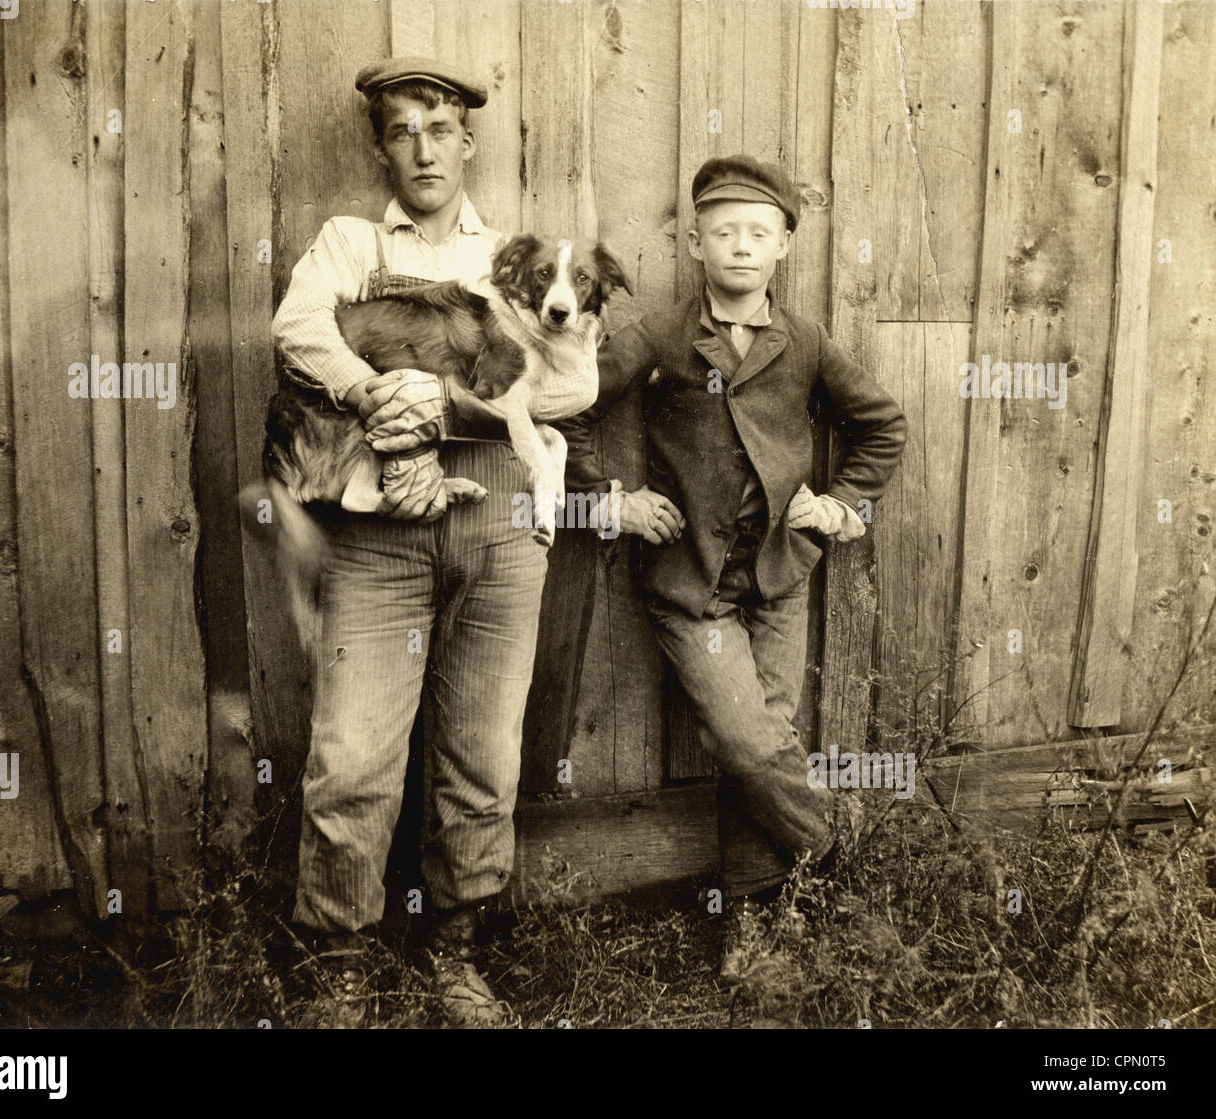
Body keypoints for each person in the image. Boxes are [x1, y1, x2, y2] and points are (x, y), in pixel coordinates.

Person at [557, 154, 908, 982]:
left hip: (780, 576)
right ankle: (843, 853)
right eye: (724, 232)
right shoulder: (661, 336)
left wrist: (839, 504)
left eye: (759, 233)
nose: (741, 248)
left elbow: (882, 426)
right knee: (750, 746)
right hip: (693, 587)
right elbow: (567, 405)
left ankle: (749, 930)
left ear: (784, 244)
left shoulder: (806, 340)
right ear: (694, 242)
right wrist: (612, 499)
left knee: (765, 745)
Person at [270, 56, 538, 1027]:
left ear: (466, 141)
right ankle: (339, 960)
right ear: (381, 146)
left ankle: (456, 952)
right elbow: (301, 332)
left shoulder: (513, 260)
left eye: (438, 128)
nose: (422, 149)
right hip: (376, 531)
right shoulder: (347, 243)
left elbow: (550, 389)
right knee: (351, 754)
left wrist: (444, 402)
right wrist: (371, 390)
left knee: (482, 755)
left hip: (496, 520)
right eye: (400, 130)